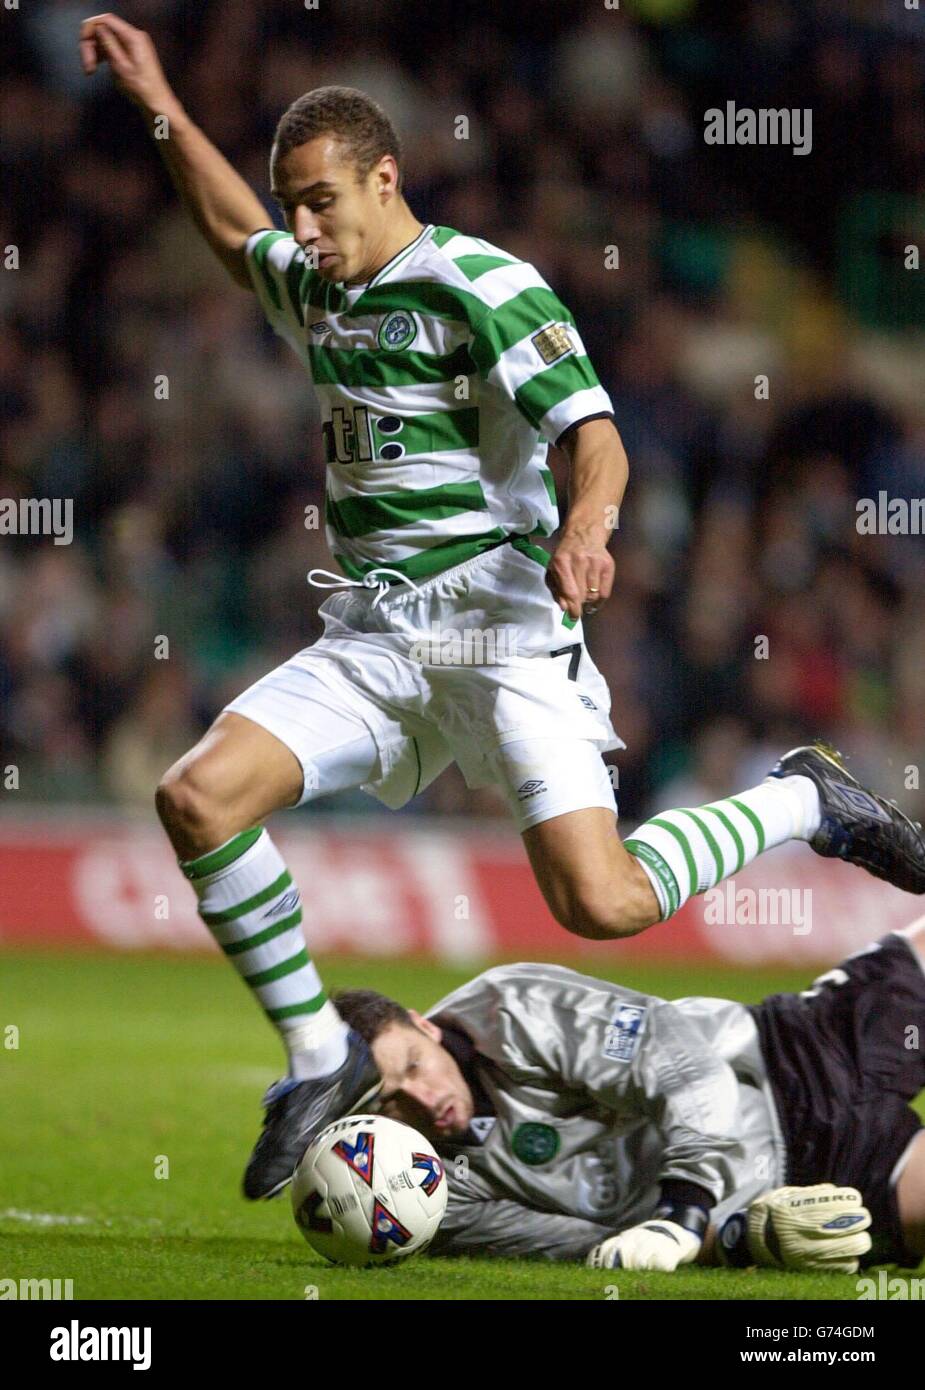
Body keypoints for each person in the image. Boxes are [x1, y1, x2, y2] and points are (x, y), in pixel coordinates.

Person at [79, 13, 925, 1203]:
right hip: (375, 640)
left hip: (502, 634)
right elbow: (232, 230)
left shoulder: (483, 283)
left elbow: (596, 435)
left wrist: (586, 527)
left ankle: (805, 794)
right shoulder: (317, 285)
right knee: (195, 797)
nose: (302, 228)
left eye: (321, 201)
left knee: (604, 901)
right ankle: (319, 1055)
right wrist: (160, 99)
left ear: (387, 178)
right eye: (293, 203)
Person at [334, 916, 925, 1270]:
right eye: (391, 1100)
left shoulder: (509, 1006)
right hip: (803, 1178)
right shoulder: (424, 1201)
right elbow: (596, 1245)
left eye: (414, 1064)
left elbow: (687, 1070)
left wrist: (684, 1209)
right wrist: (746, 1239)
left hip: (792, 1050)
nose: (421, 1096)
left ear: (425, 1025)